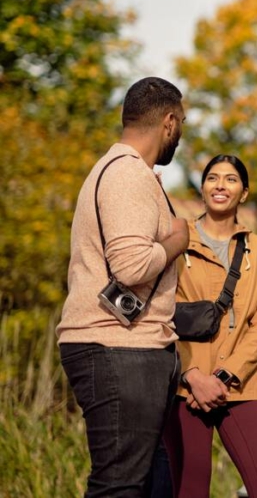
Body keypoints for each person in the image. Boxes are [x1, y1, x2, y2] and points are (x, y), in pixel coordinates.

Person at [57, 76, 191, 497]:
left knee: (152, 484)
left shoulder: (131, 173)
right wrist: (177, 240)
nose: (181, 133)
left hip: (131, 350)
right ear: (169, 122)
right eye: (182, 123)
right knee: (120, 488)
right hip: (116, 350)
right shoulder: (126, 174)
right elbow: (132, 267)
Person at [162, 154, 257, 498]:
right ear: (202, 189)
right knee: (190, 490)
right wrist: (193, 375)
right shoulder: (175, 239)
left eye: (231, 179)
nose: (221, 185)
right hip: (186, 388)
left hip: (240, 385)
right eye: (212, 178)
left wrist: (223, 376)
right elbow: (159, 314)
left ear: (243, 193)